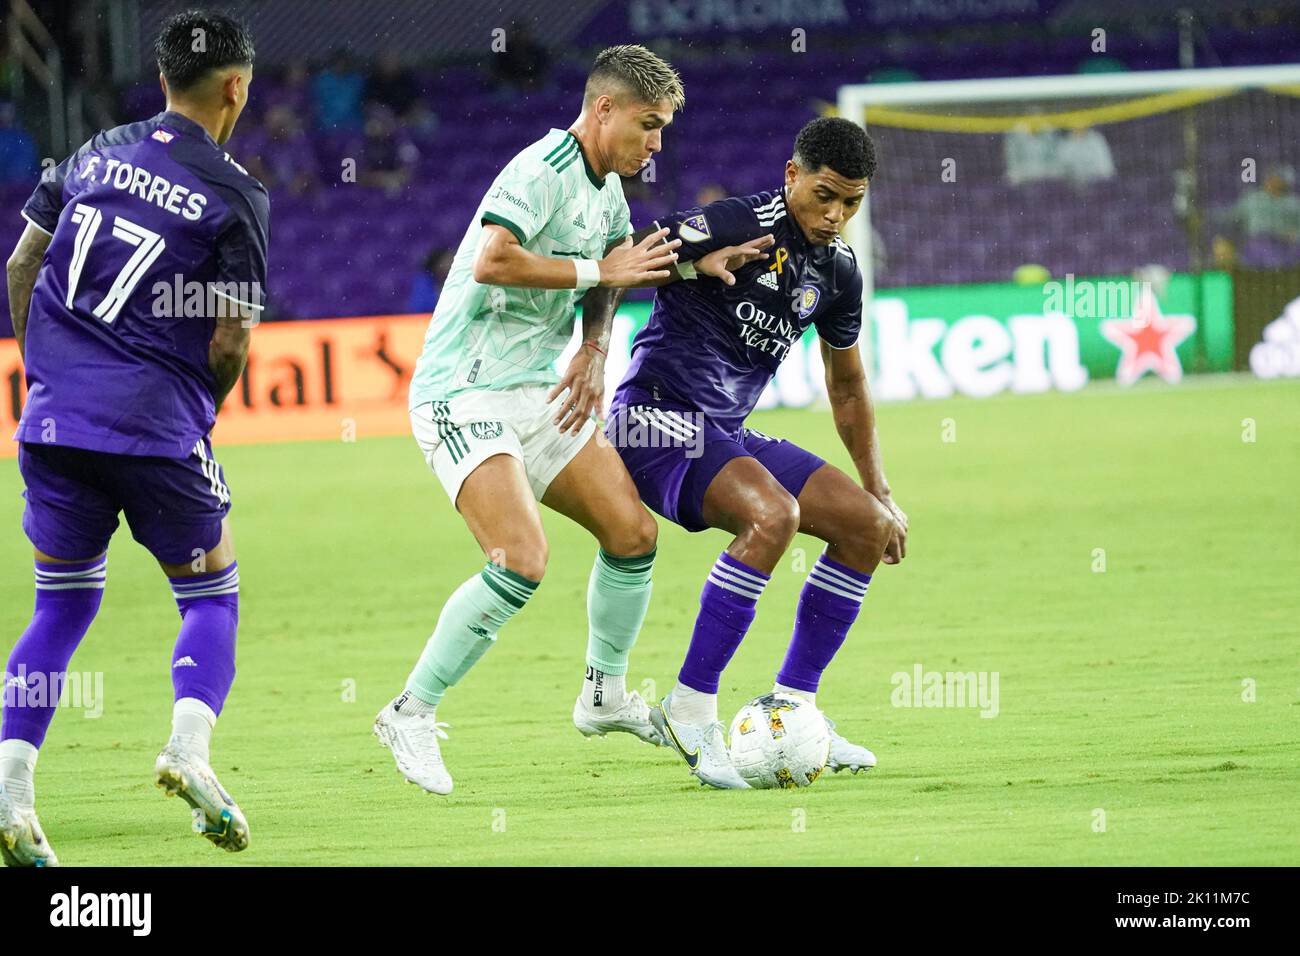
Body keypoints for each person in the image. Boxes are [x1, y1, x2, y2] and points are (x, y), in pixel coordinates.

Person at [375, 45, 755, 795]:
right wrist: (598, 275)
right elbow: (494, 260)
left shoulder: (606, 191)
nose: (656, 144)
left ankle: (604, 694)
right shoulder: (540, 169)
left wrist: (598, 338)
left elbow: (615, 266)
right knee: (520, 558)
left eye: (664, 129)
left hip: (536, 392)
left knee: (632, 533)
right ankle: (410, 710)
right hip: (464, 391)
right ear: (604, 109)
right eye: (648, 125)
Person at [0, 10, 267, 865]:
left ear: (161, 81)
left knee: (63, 603)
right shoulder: (234, 193)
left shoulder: (92, 151)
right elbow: (229, 337)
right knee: (211, 594)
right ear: (237, 87)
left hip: (52, 422)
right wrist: (200, 406)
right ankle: (188, 753)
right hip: (154, 427)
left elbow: (20, 265)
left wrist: (46, 374)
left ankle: (10, 791)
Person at [606, 117, 908, 789]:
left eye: (852, 202)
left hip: (721, 431)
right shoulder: (739, 220)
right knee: (773, 516)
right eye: (825, 195)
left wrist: (879, 486)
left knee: (866, 525)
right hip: (650, 420)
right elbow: (620, 257)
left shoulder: (837, 272)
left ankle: (796, 710)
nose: (836, 215)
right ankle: (690, 705)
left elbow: (849, 384)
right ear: (792, 174)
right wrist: (687, 259)